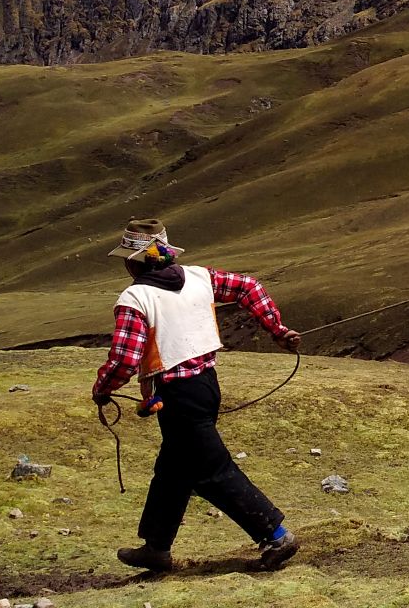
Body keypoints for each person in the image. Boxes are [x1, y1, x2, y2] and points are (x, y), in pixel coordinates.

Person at [92, 219, 302, 573]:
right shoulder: (200, 277)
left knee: (212, 470)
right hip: (206, 385)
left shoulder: (135, 298)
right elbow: (249, 287)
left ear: (132, 262)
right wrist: (277, 330)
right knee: (172, 470)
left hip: (177, 397)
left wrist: (102, 389)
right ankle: (156, 547)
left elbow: (125, 359)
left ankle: (276, 535)